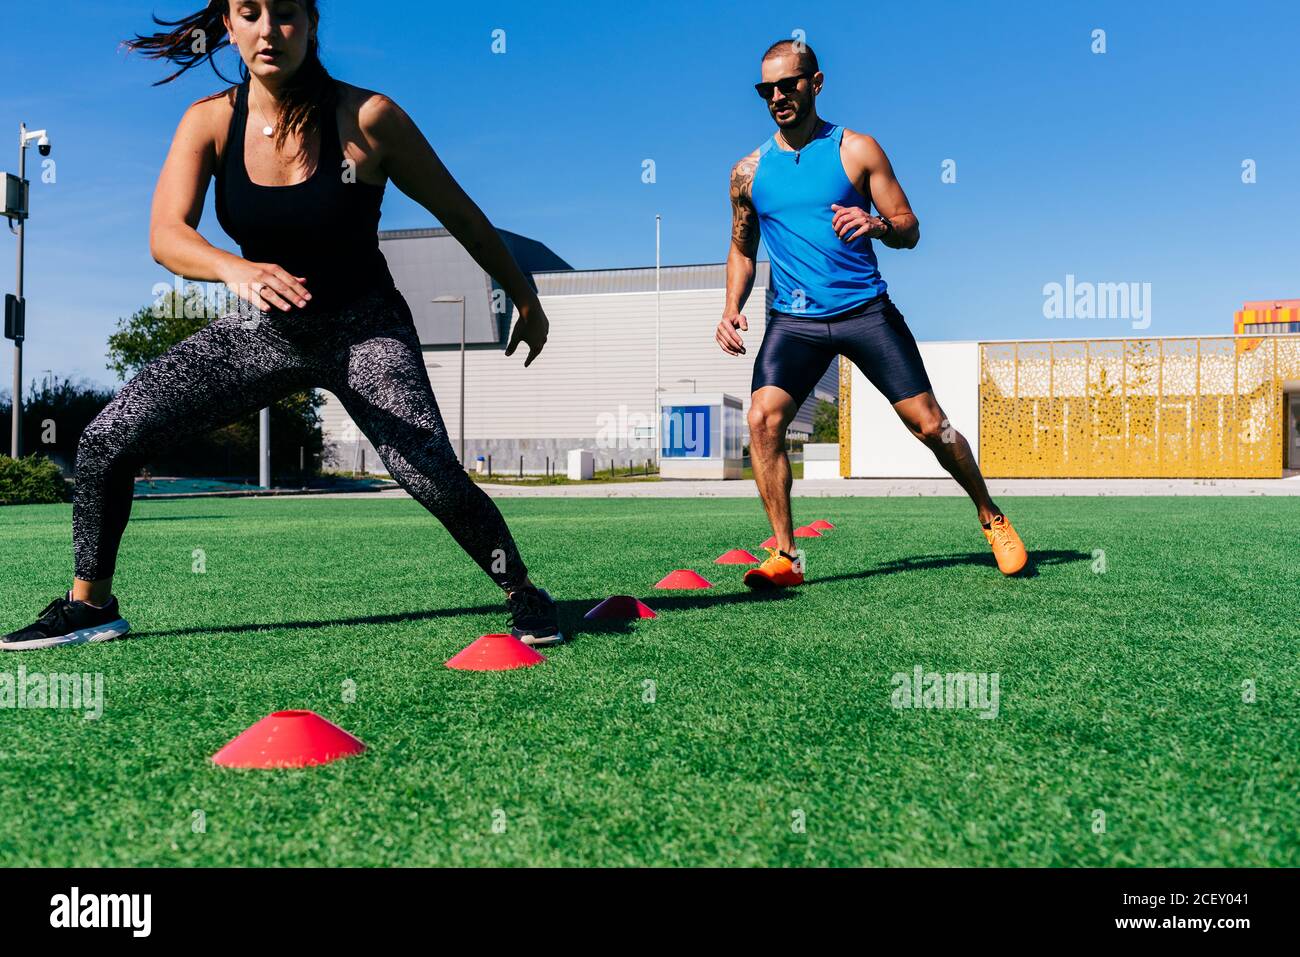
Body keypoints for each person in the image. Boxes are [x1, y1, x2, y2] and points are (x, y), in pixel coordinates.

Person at [3, 0, 563, 650]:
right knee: (106, 439)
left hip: (365, 329)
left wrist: (525, 298)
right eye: (251, 11)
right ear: (231, 25)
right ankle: (90, 605)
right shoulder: (209, 122)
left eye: (288, 13)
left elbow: (464, 216)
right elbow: (166, 235)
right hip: (265, 331)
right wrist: (231, 269)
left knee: (427, 470)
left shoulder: (368, 119)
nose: (270, 29)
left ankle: (522, 589)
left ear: (312, 24)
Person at [719, 40, 1028, 589]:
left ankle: (990, 514)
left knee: (930, 425)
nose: (776, 97)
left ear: (815, 83)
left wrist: (876, 225)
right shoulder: (748, 171)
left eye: (787, 84)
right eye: (765, 89)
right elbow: (743, 248)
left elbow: (910, 227)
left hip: (865, 311)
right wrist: (731, 307)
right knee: (763, 421)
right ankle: (786, 557)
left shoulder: (857, 150)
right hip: (795, 320)